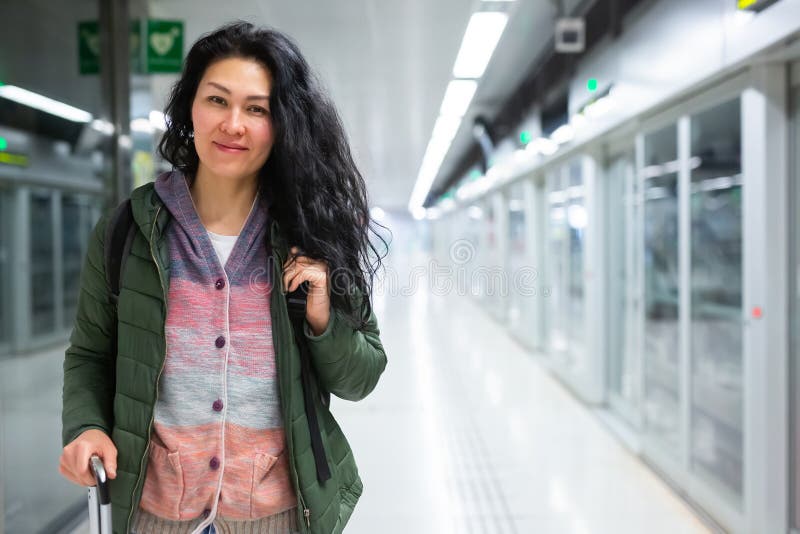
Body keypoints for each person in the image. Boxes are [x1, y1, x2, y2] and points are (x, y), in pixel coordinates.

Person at [59, 21, 388, 534]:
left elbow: (361, 377)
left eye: (256, 109)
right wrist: (85, 427)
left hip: (275, 513)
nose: (233, 124)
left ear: (281, 124)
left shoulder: (311, 231)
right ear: (191, 107)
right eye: (217, 100)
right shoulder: (129, 228)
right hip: (153, 512)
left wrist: (322, 319)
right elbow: (90, 355)